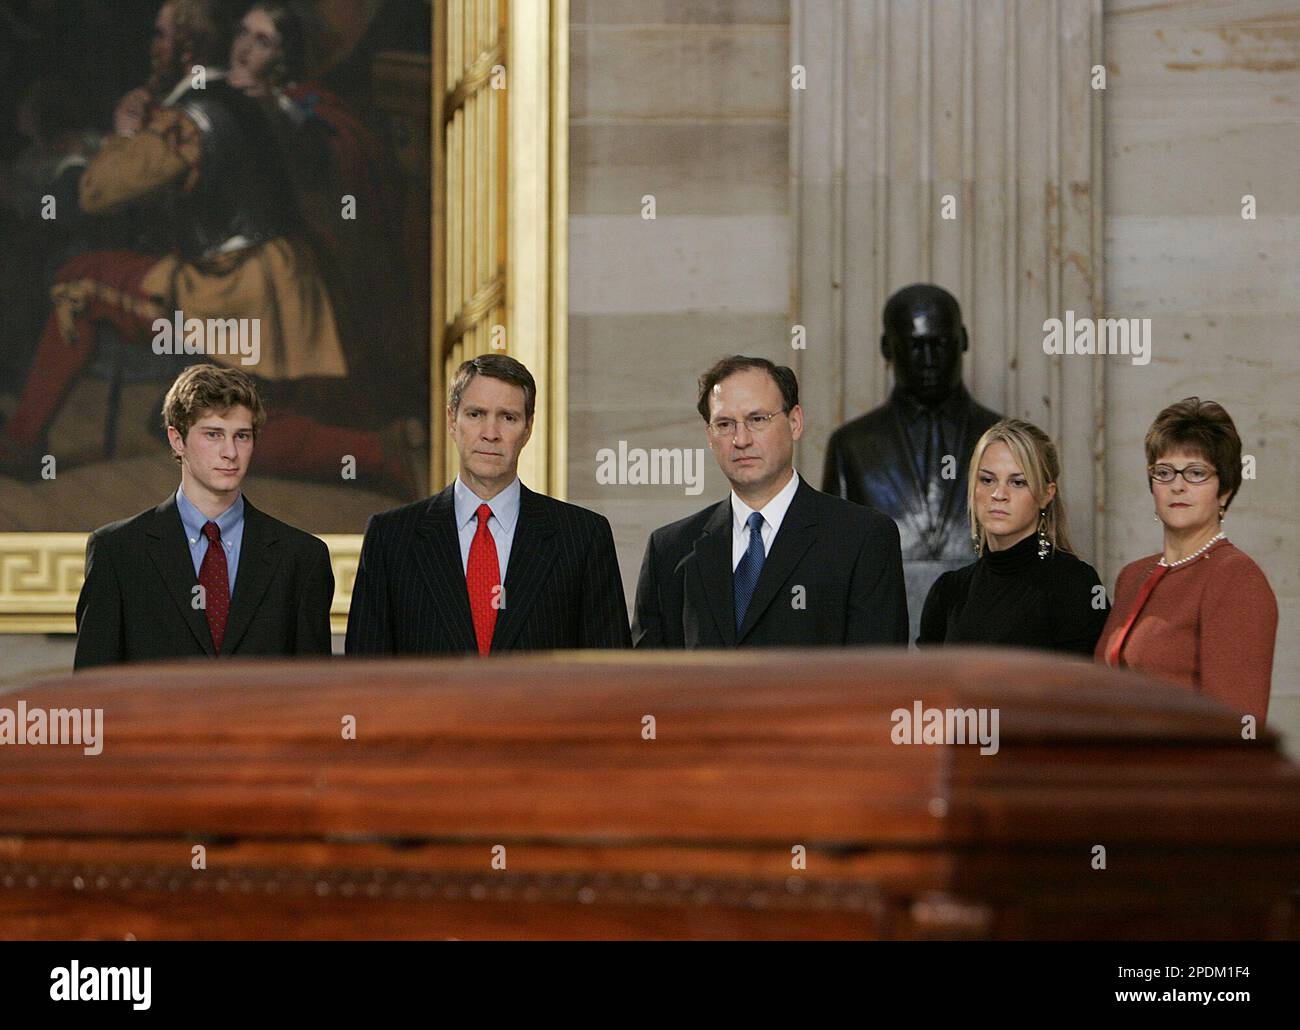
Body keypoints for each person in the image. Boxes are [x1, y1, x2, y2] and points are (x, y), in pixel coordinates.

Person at [345, 354, 631, 655]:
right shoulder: (391, 537)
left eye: (508, 417)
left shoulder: (583, 536)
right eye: (475, 414)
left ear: (528, 429)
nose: (490, 433)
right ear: (452, 421)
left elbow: (609, 678)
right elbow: (365, 679)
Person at [633, 355, 908, 648]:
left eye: (757, 419)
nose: (741, 439)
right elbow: (647, 683)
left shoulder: (861, 537)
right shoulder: (670, 549)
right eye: (725, 424)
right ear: (710, 437)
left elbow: (877, 679)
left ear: (795, 422)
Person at [74, 364, 334, 669]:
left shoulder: (301, 558)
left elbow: (314, 699)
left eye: (242, 436)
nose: (230, 452)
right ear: (177, 439)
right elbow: (94, 694)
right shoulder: (117, 552)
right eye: (213, 434)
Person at [821, 284, 1003, 640]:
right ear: (888, 348)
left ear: (963, 340)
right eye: (915, 346)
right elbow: (833, 569)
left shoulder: (1003, 440)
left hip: (988, 643)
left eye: (940, 344)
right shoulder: (852, 446)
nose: (929, 360)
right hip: (881, 648)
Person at [1095, 398, 1277, 725]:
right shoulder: (1133, 575)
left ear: (1225, 490)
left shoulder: (1235, 577)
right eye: (1164, 472)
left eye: (1196, 473)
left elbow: (1235, 728)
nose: (1177, 485)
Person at [917, 418, 1107, 654]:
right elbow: (925, 686)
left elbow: (1085, 686)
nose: (998, 494)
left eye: (1017, 482)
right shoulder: (948, 592)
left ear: (1046, 494)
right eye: (987, 480)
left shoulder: (1075, 584)